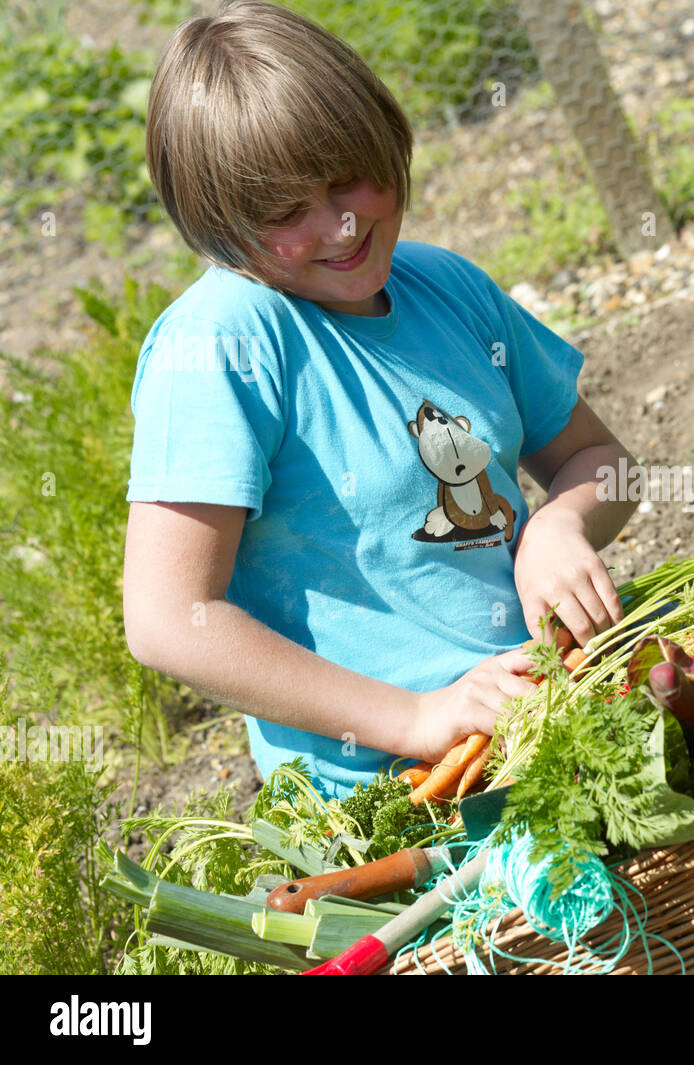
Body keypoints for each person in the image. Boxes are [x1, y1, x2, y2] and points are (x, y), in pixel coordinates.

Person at [122, 0, 638, 800]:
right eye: (287, 213)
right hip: (401, 786)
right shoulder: (223, 344)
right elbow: (167, 619)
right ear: (220, 226)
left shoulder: (446, 286)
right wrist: (416, 717)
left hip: (548, 702)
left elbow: (599, 459)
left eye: (346, 180)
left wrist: (559, 526)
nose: (340, 225)